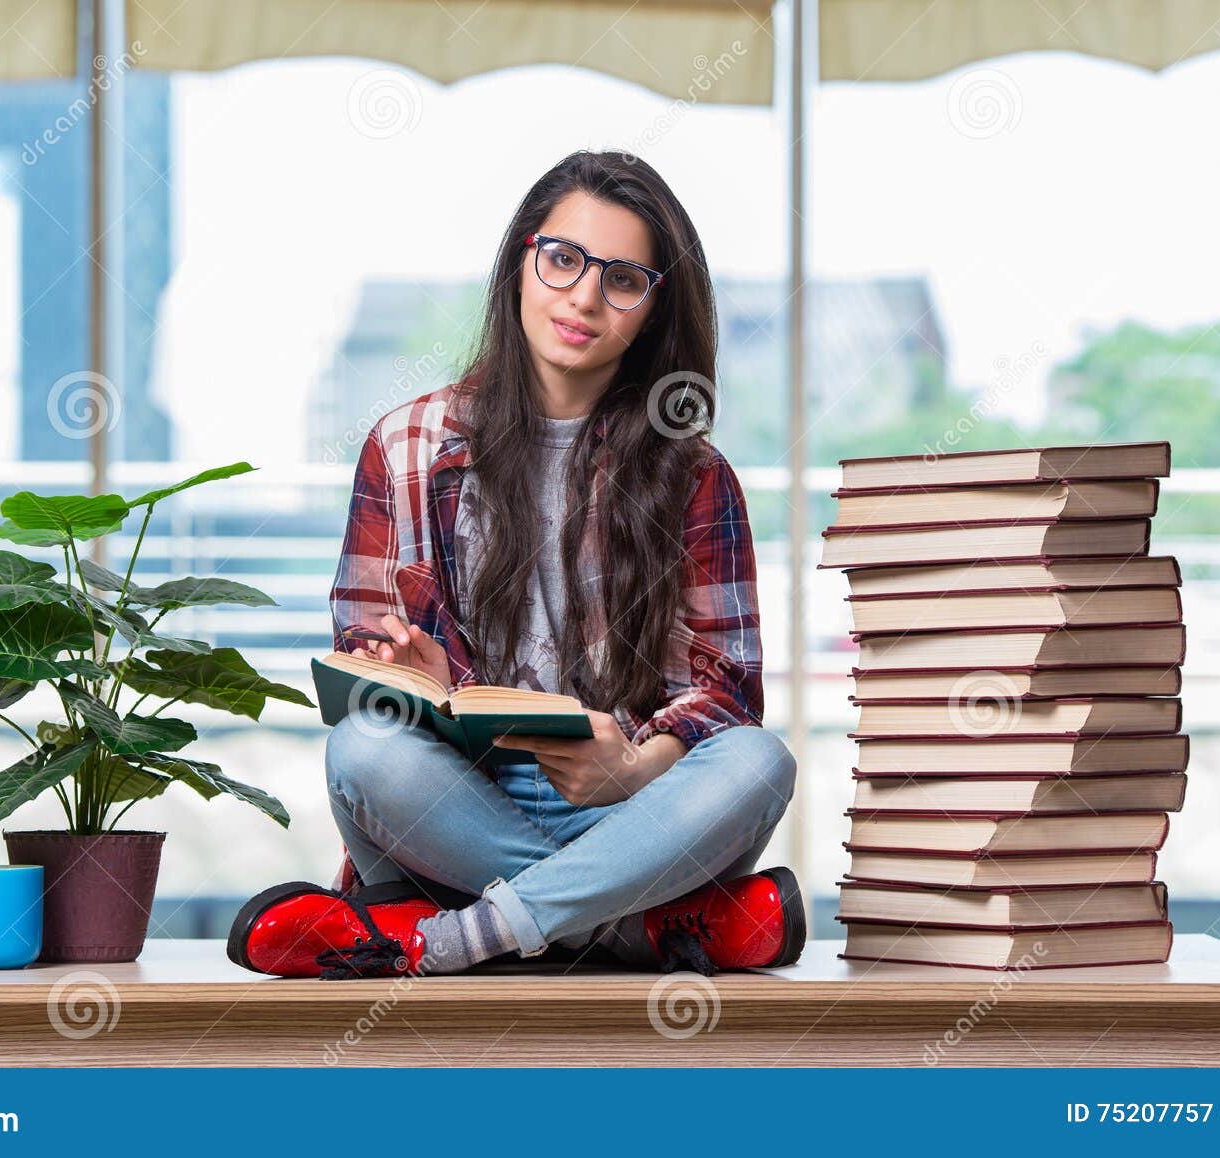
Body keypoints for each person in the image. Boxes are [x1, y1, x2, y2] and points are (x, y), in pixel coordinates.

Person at [227, 150, 804, 980]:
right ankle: (636, 925)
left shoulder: (694, 472)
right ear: (521, 263)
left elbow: (728, 688)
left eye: (625, 280)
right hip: (464, 805)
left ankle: (455, 932)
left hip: (632, 810)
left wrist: (634, 766)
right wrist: (419, 676)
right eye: (564, 260)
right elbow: (361, 654)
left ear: (654, 308)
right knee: (365, 748)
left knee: (761, 763)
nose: (583, 297)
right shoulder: (407, 446)